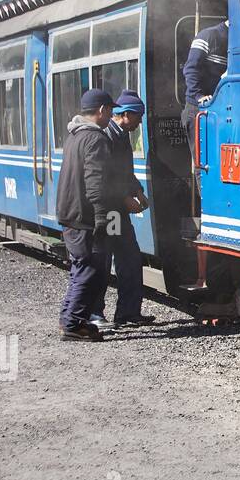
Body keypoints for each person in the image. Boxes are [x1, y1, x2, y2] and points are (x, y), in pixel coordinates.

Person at [56, 89, 118, 341]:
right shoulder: (95, 139)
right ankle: (73, 324)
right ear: (102, 110)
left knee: (80, 268)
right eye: (110, 111)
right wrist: (102, 217)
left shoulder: (74, 136)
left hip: (71, 213)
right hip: (85, 217)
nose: (111, 115)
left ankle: (69, 319)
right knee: (90, 270)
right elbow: (96, 182)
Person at [94, 89, 156, 328]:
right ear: (126, 115)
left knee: (129, 258)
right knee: (105, 259)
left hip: (117, 211)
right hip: (109, 211)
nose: (140, 122)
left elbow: (125, 172)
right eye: (138, 117)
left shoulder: (121, 136)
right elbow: (105, 176)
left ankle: (128, 312)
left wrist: (138, 191)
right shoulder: (106, 136)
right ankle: (96, 313)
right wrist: (124, 198)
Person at [180, 18, 228, 289]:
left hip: (220, 110)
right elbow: (191, 68)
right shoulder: (210, 36)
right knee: (204, 165)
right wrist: (199, 97)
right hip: (200, 111)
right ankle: (208, 207)